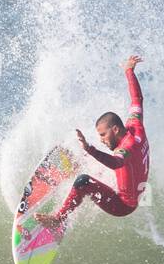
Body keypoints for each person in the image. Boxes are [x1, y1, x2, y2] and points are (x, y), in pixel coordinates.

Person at [39, 55, 150, 231]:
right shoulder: (135, 125)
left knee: (83, 181)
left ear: (115, 129)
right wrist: (129, 70)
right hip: (135, 185)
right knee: (88, 155)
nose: (102, 140)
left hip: (123, 205)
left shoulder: (127, 148)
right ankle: (75, 165)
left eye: (103, 135)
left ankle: (58, 219)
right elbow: (137, 99)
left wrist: (90, 148)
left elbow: (116, 163)